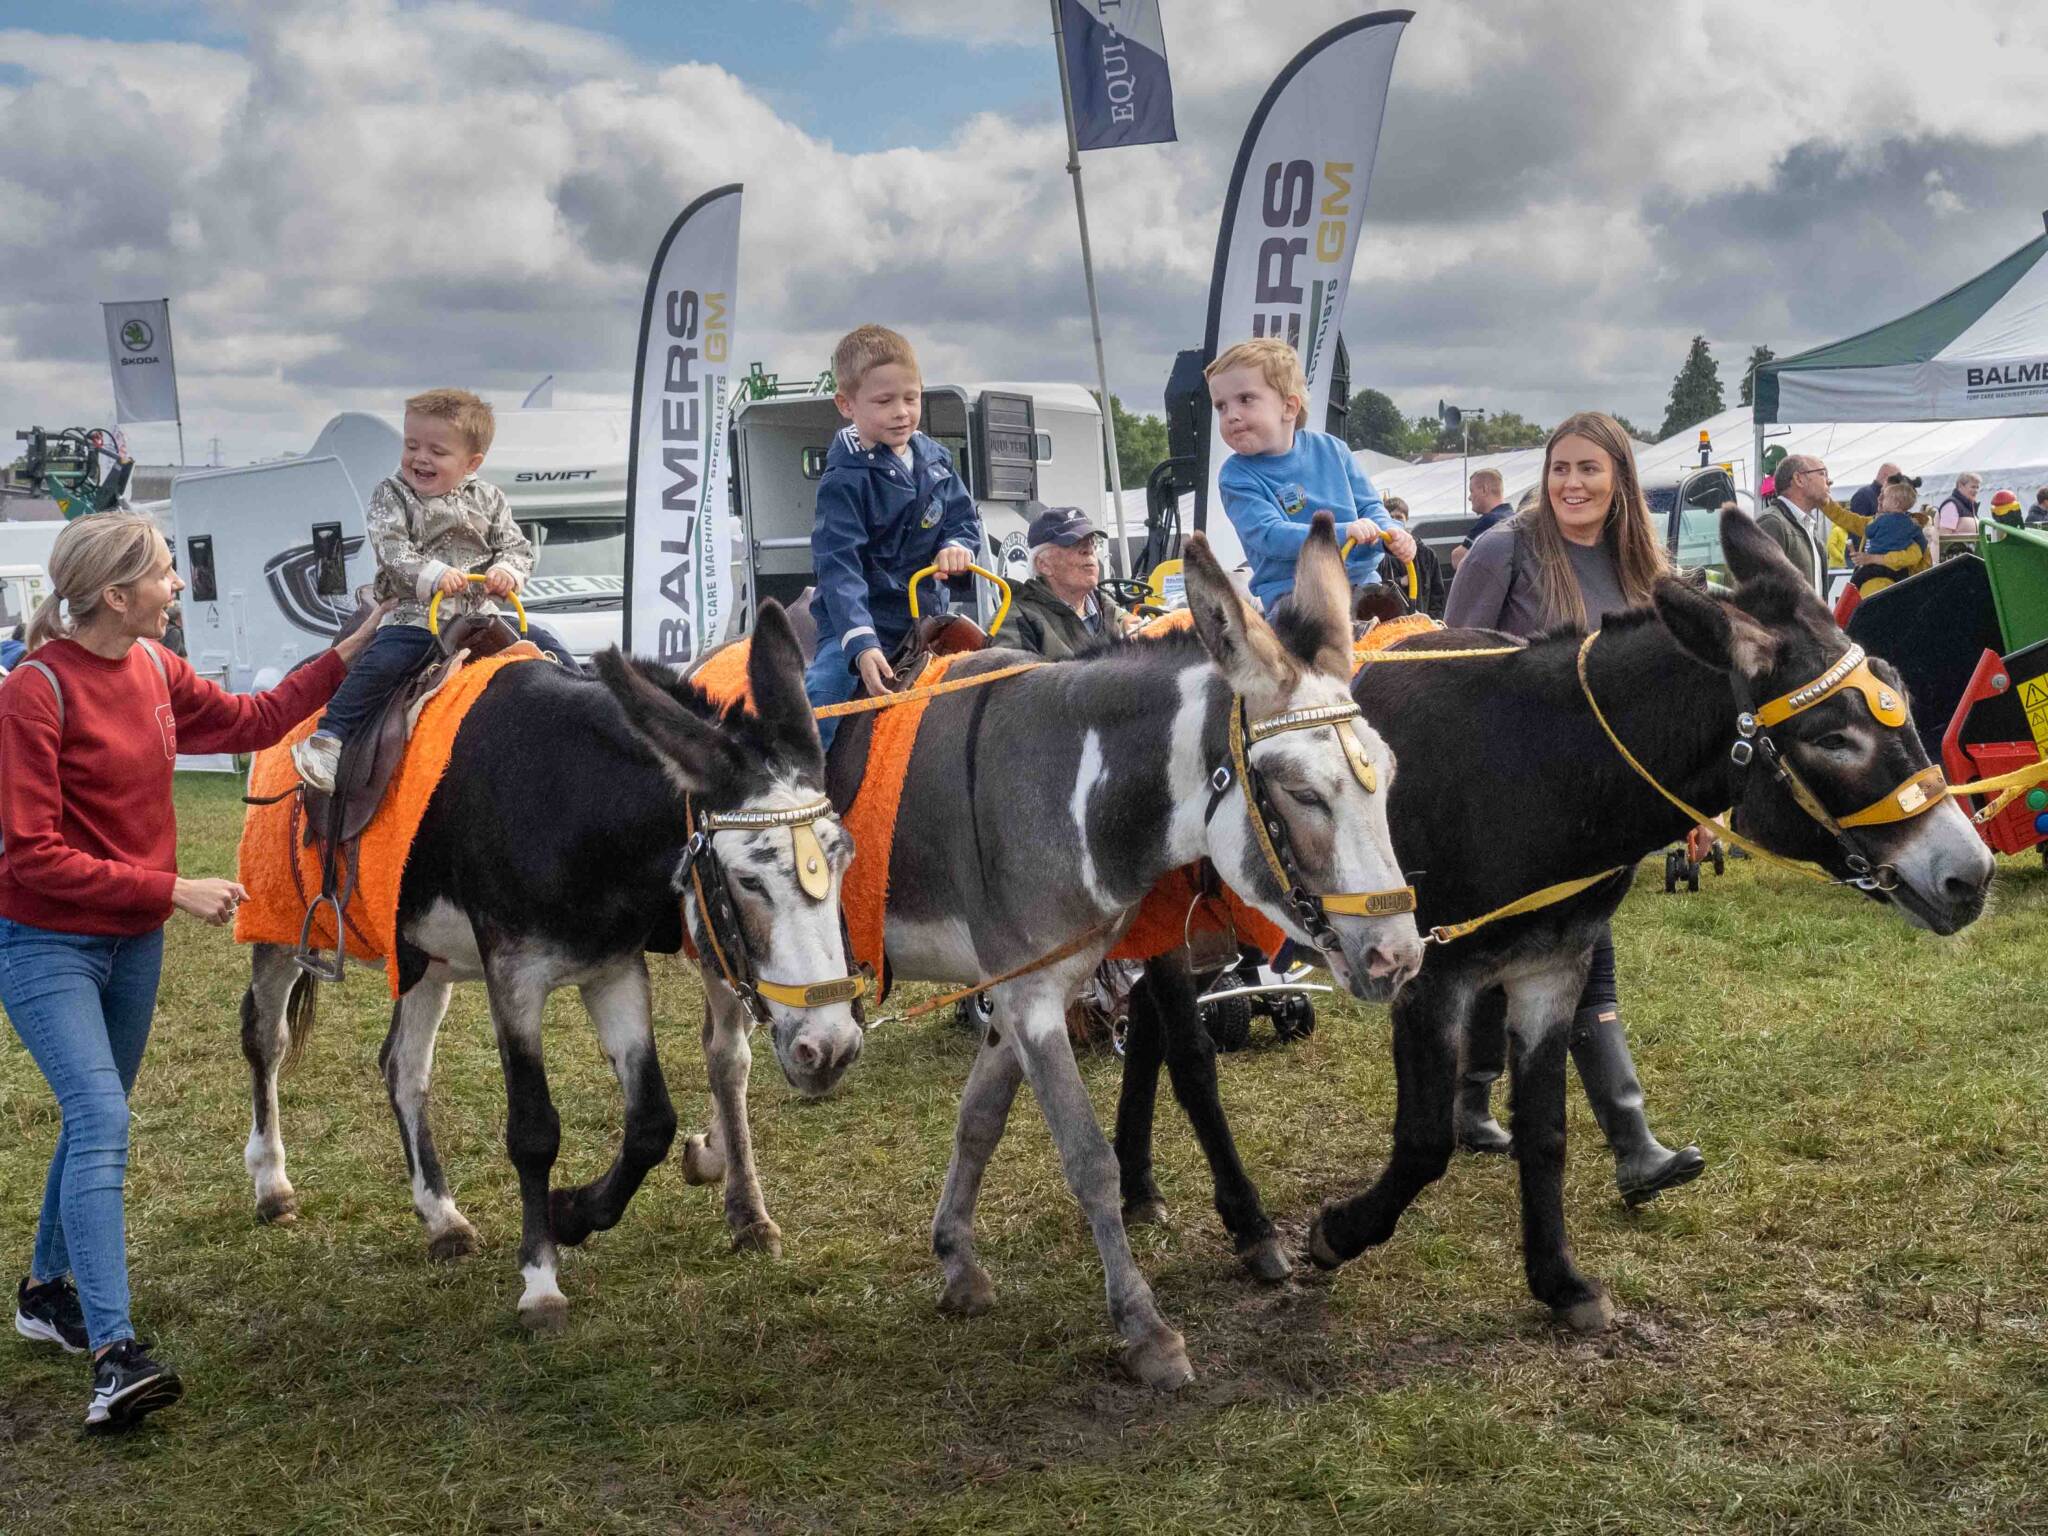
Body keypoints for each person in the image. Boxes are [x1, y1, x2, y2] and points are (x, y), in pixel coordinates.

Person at [1, 512, 382, 1431]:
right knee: (102, 1116)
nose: (181, 589)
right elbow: (25, 855)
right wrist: (170, 886)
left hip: (134, 943)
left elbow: (253, 720)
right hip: (46, 942)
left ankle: (44, 1290)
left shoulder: (157, 670)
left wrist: (349, 654)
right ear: (116, 594)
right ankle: (113, 1355)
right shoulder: (33, 692)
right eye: (169, 576)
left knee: (95, 1118)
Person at [1442, 411, 1704, 1205]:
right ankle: (1632, 1144)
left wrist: (1686, 803)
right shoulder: (1506, 549)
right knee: (1575, 947)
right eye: (1561, 468)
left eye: (1590, 469)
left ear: (1620, 479)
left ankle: (1468, 1098)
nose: (1572, 484)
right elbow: (1449, 665)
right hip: (1510, 787)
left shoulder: (1643, 570)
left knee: (1514, 949)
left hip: (1603, 800)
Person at [290, 388, 569, 792]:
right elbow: (390, 547)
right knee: (386, 660)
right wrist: (434, 574)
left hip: (479, 614)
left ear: (471, 463)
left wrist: (506, 571)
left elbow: (516, 547)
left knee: (544, 643)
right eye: (411, 445)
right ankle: (330, 739)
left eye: (437, 451)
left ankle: (595, 715)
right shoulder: (392, 494)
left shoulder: (490, 499)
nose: (420, 458)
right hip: (416, 613)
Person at [806, 326, 982, 748]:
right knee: (824, 699)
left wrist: (955, 547)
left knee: (993, 673)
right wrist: (861, 643)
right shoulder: (843, 480)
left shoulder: (936, 461)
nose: (902, 412)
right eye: (884, 402)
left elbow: (962, 520)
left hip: (928, 617)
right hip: (866, 620)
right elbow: (839, 568)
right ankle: (805, 792)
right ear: (846, 405)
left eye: (911, 397)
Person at [1207, 337, 1415, 612]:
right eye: (1221, 406)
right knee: (1300, 649)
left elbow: (1370, 506)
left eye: (1245, 399)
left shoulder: (1333, 450)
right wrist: (1340, 533)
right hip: (1295, 598)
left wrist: (1392, 532)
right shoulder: (1236, 476)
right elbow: (1270, 535)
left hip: (1364, 587)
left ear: (1289, 407)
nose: (1231, 415)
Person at [1006, 507, 1123, 660]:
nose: (1088, 550)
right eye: (1073, 543)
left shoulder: (1107, 609)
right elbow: (1010, 681)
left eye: (1092, 542)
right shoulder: (1017, 621)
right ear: (1044, 565)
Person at [1835, 475, 1931, 592]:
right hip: (1900, 574)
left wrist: (1873, 558)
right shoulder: (1912, 524)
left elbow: (1868, 531)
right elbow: (1844, 517)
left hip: (1877, 572)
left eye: (1885, 495)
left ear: (1896, 503)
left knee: (1854, 584)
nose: (1879, 498)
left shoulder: (1881, 520)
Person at [1754, 453, 1831, 594]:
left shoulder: (1809, 530)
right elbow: (1759, 596)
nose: (1829, 481)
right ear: (1799, 479)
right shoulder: (1772, 524)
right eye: (1822, 473)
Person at [1383, 496, 1447, 617]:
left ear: (1406, 518)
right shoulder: (1379, 556)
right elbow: (1376, 590)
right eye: (1391, 517)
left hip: (1422, 622)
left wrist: (1432, 622)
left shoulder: (1427, 554)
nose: (1395, 521)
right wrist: (1400, 582)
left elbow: (1437, 595)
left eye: (1399, 517)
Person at [1451, 467, 1513, 571]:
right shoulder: (1513, 517)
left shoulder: (1489, 522)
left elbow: (1458, 559)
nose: (1469, 497)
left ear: (1484, 490)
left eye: (1472, 491)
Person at [1936, 472, 1983, 551]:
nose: (1976, 491)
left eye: (1977, 487)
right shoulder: (1951, 505)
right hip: (1957, 558)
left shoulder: (1970, 507)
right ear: (1960, 485)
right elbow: (1944, 537)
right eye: (1973, 487)